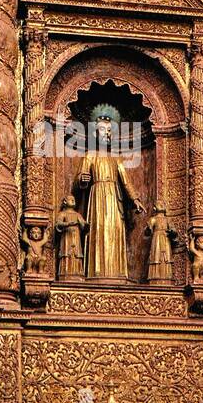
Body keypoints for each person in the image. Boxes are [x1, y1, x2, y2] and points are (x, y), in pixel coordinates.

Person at [75, 105, 143, 279]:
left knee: (113, 230)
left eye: (108, 130)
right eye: (101, 129)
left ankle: (116, 273)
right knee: (98, 230)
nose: (105, 133)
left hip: (114, 197)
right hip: (97, 196)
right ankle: (95, 272)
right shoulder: (91, 154)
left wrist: (135, 199)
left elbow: (125, 180)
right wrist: (83, 181)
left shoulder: (116, 157)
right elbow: (79, 179)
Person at [55, 195, 87, 278]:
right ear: (65, 202)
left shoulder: (77, 215)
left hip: (76, 237)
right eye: (71, 200)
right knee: (66, 253)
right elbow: (58, 223)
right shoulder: (63, 214)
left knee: (77, 253)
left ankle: (78, 273)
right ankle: (64, 273)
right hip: (66, 237)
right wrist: (67, 224)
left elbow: (83, 225)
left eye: (74, 200)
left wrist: (85, 225)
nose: (73, 201)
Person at [145, 203, 176, 282]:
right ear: (155, 208)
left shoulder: (167, 219)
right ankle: (155, 276)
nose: (161, 205)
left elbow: (173, 229)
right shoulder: (153, 219)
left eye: (162, 204)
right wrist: (149, 228)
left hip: (166, 238)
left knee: (166, 257)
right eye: (159, 204)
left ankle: (167, 276)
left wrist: (172, 232)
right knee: (156, 256)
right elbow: (147, 232)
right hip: (157, 238)